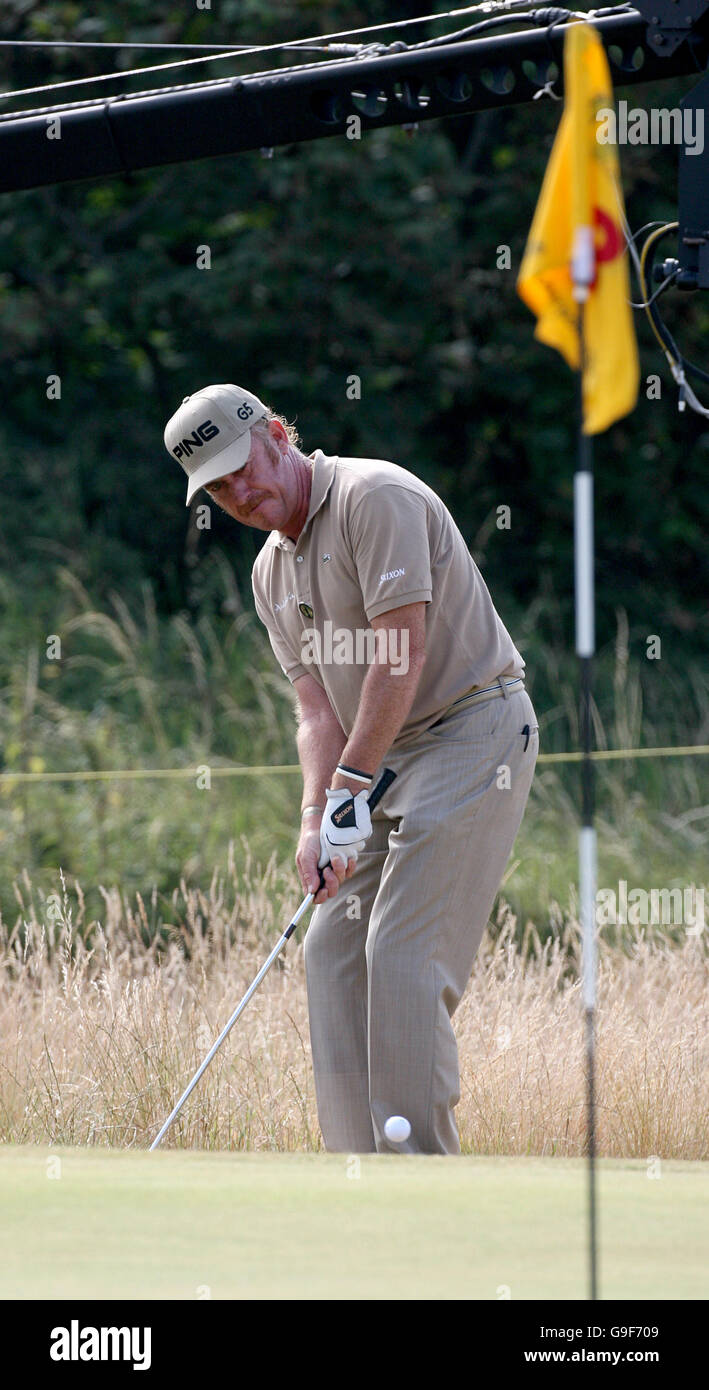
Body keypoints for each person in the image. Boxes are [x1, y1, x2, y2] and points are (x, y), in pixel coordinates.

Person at [164, 382, 539, 1155]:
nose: (240, 493)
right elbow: (316, 713)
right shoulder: (270, 571)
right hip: (377, 756)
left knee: (399, 955)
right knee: (330, 949)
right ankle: (352, 1174)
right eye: (219, 487)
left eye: (243, 468)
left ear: (275, 432)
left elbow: (398, 657)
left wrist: (348, 791)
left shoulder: (376, 497)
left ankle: (416, 1175)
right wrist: (315, 820)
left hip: (470, 729)